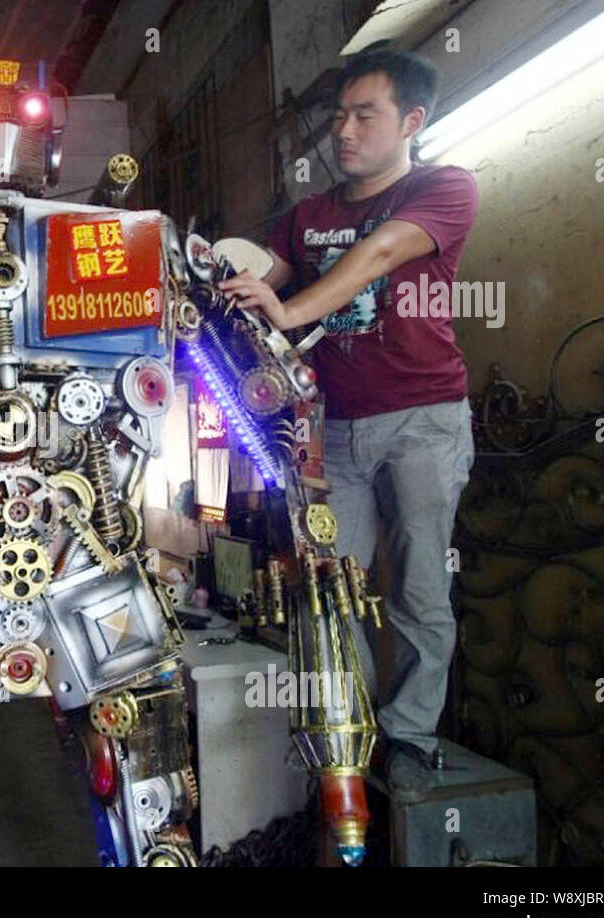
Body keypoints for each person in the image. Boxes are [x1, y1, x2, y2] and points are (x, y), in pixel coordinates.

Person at [218, 48, 480, 801]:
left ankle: (410, 733)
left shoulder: (443, 189)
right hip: (335, 429)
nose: (345, 131)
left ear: (412, 122)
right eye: (339, 116)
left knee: (420, 591)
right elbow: (262, 270)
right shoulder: (310, 214)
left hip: (424, 418)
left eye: (365, 115)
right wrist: (217, 274)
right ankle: (352, 733)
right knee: (335, 589)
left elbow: (382, 252)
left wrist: (294, 308)